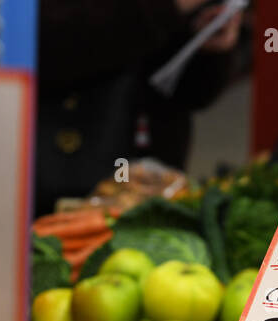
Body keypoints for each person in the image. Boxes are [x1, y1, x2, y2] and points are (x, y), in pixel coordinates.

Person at [35, 0, 243, 214]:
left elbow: (192, 95)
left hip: (151, 186)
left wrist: (206, 43)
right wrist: (169, 7)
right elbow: (53, 44)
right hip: (57, 178)